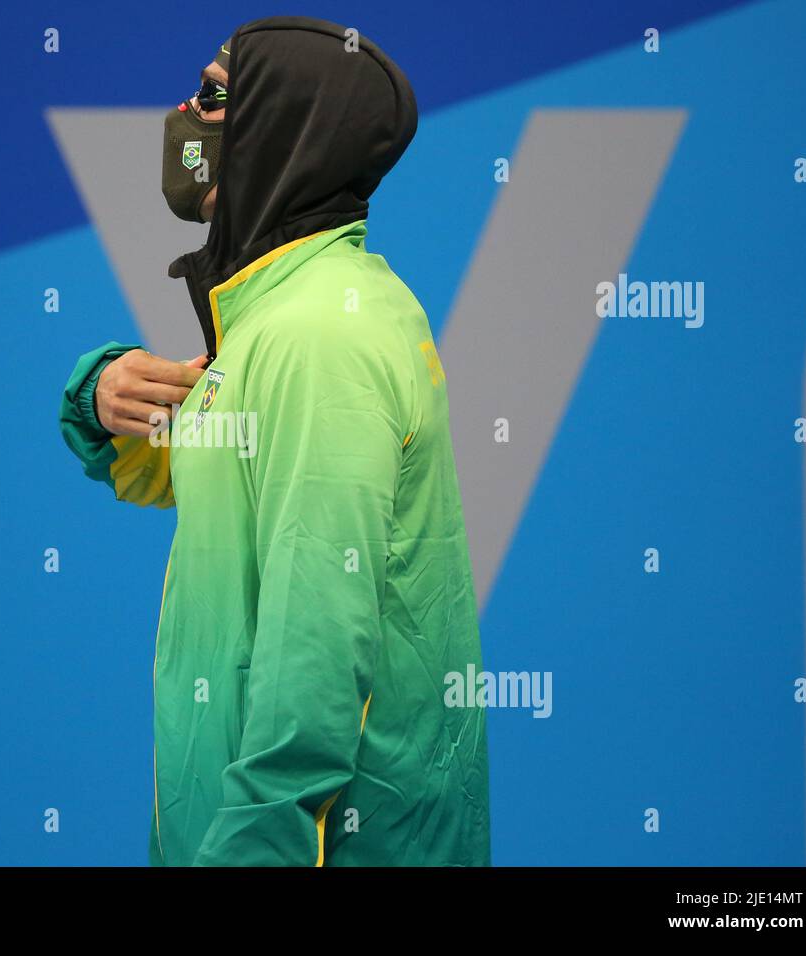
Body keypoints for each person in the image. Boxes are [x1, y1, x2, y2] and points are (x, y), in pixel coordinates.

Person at [58, 15, 491, 866]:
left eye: (214, 96)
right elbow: (205, 472)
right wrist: (98, 393)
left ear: (283, 129)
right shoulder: (274, 320)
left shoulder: (319, 335)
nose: (183, 115)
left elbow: (320, 650)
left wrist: (254, 853)